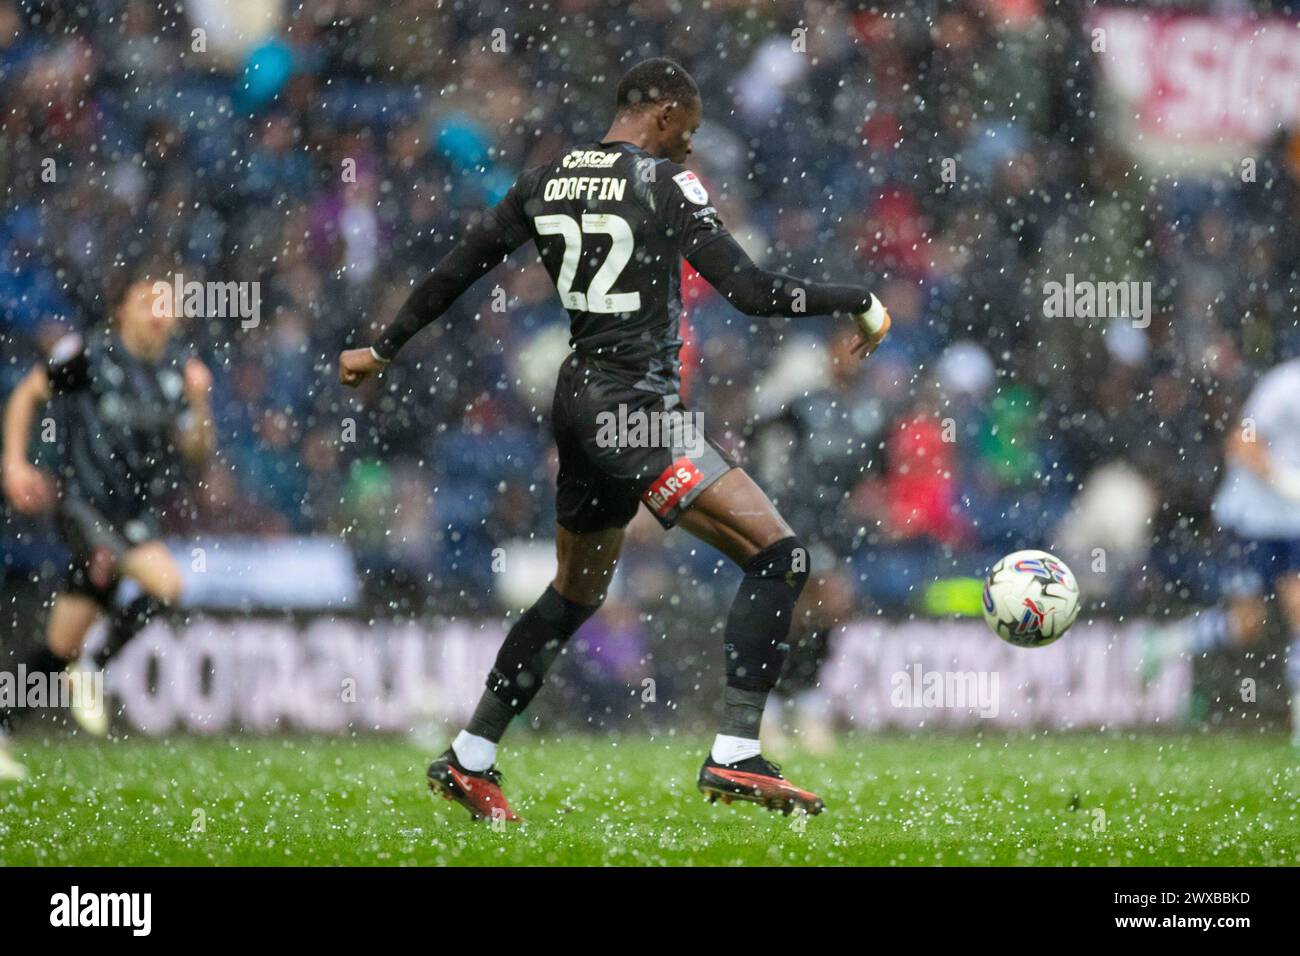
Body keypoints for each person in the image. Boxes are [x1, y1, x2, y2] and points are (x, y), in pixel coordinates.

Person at [338, 58, 890, 820]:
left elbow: (458, 266)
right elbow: (756, 294)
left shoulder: (546, 179)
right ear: (661, 114)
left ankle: (471, 755)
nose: (688, 151)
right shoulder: (664, 186)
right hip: (637, 406)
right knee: (782, 556)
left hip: (578, 397)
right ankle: (736, 754)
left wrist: (388, 346)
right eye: (686, 133)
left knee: (574, 592)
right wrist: (856, 299)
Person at [0, 268, 215, 779]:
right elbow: (28, 394)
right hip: (84, 506)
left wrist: (202, 401)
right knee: (168, 584)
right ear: (123, 309)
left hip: (132, 515)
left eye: (167, 304)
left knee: (60, 646)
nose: (159, 314)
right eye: (148, 302)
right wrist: (13, 463)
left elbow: (198, 452)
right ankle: (94, 670)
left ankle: (5, 724)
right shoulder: (89, 354)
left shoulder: (175, 374)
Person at [1208, 358, 1300, 747]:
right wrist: (1284, 481)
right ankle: (1171, 644)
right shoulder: (1285, 385)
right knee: (1247, 625)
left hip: (1293, 524)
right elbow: (1242, 440)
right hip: (1252, 519)